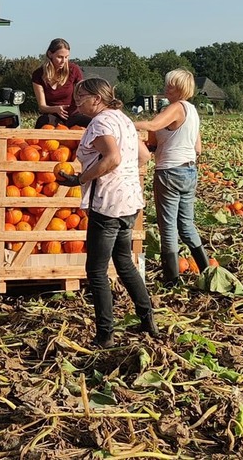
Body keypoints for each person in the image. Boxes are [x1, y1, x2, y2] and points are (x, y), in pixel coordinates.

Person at [56, 77, 158, 348]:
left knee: (97, 271)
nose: (78, 101)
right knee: (124, 262)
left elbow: (112, 158)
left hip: (109, 203)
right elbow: (145, 156)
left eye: (82, 97)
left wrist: (80, 179)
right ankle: (148, 321)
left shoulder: (101, 122)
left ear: (97, 99)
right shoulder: (123, 119)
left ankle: (105, 335)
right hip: (129, 201)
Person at [134, 69, 210, 285]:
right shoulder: (193, 111)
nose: (166, 88)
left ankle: (172, 279)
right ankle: (206, 271)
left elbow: (153, 125)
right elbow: (198, 148)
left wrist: (124, 125)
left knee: (167, 227)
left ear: (180, 89)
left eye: (170, 85)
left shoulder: (175, 108)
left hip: (169, 172)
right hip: (189, 171)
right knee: (186, 225)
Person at [31, 38, 90, 128]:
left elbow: (84, 94)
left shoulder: (74, 69)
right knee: (43, 122)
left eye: (66, 57)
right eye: (60, 57)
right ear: (50, 54)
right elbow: (42, 107)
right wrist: (56, 109)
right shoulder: (38, 75)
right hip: (53, 115)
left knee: (94, 123)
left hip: (74, 115)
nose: (63, 61)